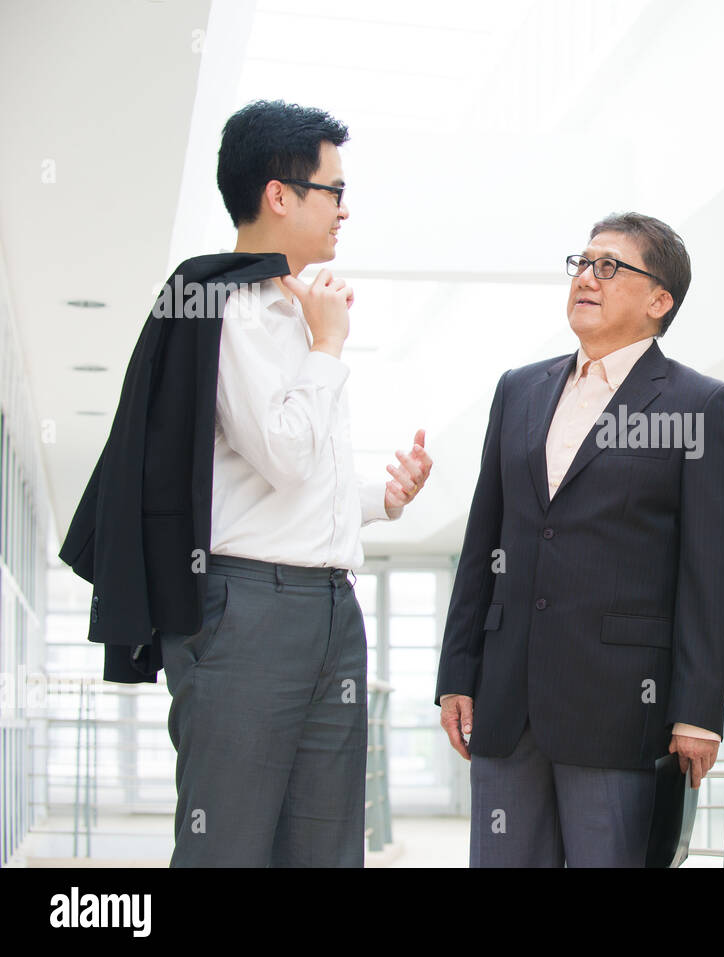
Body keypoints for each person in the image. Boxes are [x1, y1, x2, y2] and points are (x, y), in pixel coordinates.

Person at [61, 99, 432, 867]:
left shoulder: (298, 311)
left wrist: (382, 499)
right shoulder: (228, 305)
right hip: (249, 609)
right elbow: (285, 455)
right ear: (279, 194)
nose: (344, 210)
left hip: (331, 605)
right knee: (226, 844)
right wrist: (329, 346)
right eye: (333, 190)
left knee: (326, 848)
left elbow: (292, 485)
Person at [435, 212, 724, 867]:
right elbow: (484, 538)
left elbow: (711, 573)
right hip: (506, 699)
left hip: (619, 709)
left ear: (659, 300)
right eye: (581, 262)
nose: (586, 277)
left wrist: (698, 711)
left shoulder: (700, 404)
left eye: (609, 266)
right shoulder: (519, 389)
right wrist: (458, 673)